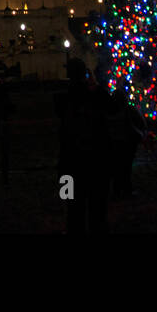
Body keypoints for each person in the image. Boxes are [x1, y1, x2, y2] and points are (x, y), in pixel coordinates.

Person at [57, 59, 110, 232]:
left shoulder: (64, 96)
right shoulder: (96, 94)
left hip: (70, 161)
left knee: (73, 207)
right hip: (95, 160)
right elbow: (109, 105)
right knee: (97, 206)